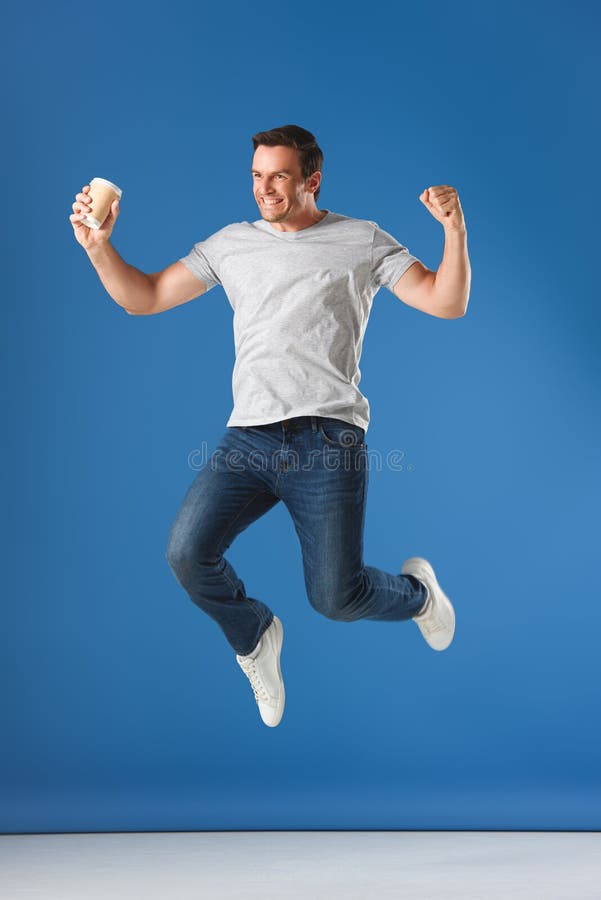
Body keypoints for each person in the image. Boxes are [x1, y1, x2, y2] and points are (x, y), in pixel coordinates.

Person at [70, 124, 471, 729]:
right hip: (249, 438)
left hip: (328, 440)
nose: (265, 188)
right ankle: (255, 635)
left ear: (312, 179)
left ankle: (419, 596)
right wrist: (98, 246)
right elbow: (144, 296)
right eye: (257, 175)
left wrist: (454, 231)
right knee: (186, 552)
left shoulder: (360, 240)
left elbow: (446, 300)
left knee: (336, 598)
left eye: (279, 175)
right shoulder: (231, 244)